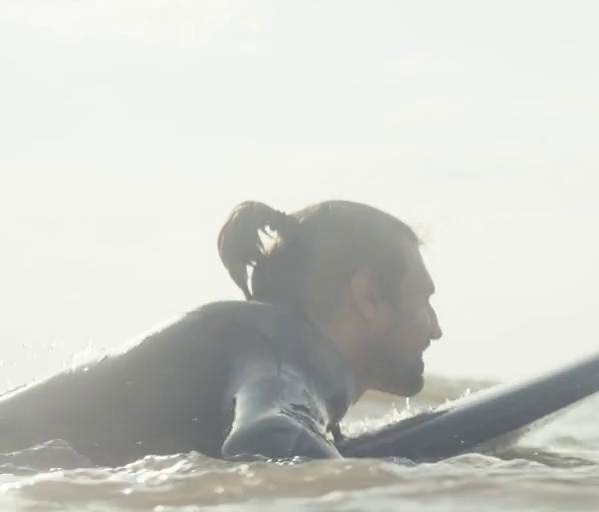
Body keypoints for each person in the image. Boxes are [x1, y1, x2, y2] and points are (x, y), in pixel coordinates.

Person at [0, 200, 441, 466]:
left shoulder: (253, 339)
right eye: (423, 300)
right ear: (370, 296)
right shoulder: (284, 355)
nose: (436, 329)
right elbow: (268, 437)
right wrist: (374, 501)